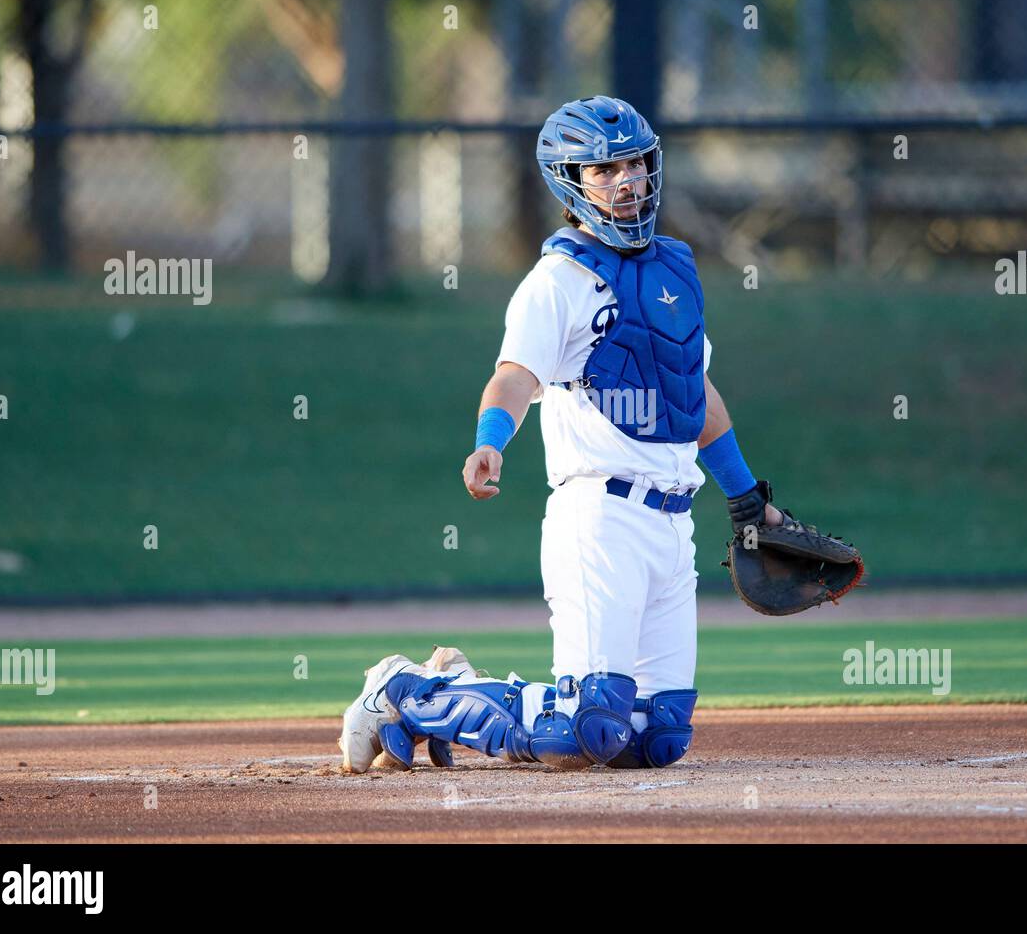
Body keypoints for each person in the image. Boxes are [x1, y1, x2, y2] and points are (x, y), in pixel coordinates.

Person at [337, 95, 799, 771]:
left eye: (636, 163)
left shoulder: (674, 271)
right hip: (600, 517)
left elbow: (695, 394)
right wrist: (491, 439)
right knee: (584, 729)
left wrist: (746, 499)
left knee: (658, 735)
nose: (626, 180)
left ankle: (472, 699)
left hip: (673, 525)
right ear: (569, 181)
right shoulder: (557, 281)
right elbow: (515, 377)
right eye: (603, 169)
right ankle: (412, 692)